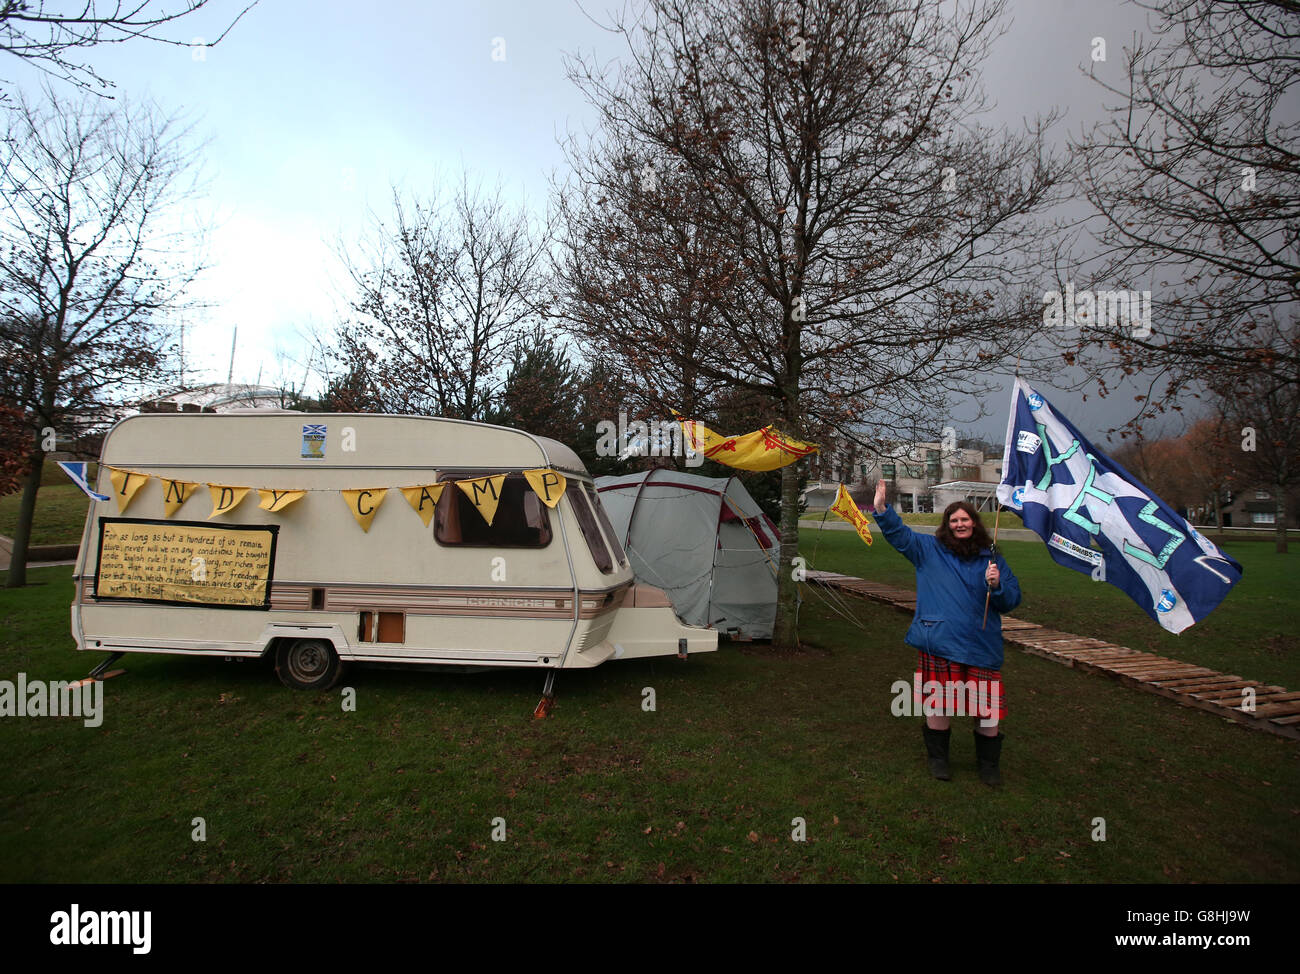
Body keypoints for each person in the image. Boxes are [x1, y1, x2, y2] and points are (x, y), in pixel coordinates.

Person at [869, 480, 1020, 785]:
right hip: (940, 642)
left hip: (981, 646)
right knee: (939, 704)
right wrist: (882, 509)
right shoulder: (928, 551)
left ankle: (988, 766)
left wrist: (997, 585)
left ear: (974, 523)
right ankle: (939, 761)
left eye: (965, 519)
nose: (959, 524)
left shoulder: (992, 559)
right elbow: (900, 536)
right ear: (946, 526)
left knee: (985, 711)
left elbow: (1011, 600)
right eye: (954, 520)